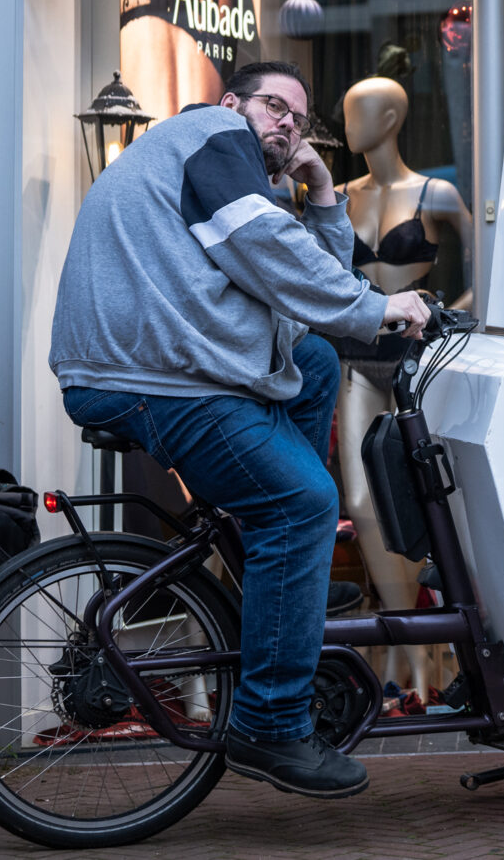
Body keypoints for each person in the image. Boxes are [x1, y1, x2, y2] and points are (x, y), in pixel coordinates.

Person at [50, 59, 430, 799]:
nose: (288, 121)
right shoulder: (211, 133)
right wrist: (378, 306)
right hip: (150, 377)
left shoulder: (219, 168)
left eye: (299, 114)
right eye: (272, 105)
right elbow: (266, 249)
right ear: (232, 103)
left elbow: (303, 298)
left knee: (315, 360)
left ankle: (280, 581)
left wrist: (322, 194)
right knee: (305, 502)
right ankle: (271, 721)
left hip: (159, 365)